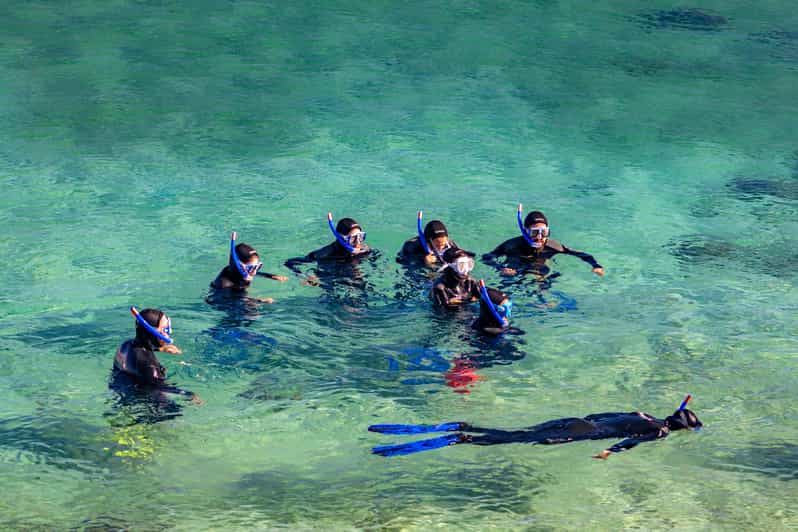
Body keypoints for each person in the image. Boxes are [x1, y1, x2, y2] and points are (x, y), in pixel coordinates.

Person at [369, 396, 701, 458]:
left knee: (519, 432)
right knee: (515, 440)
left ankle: (464, 427)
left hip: (578, 420)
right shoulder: (659, 431)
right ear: (681, 428)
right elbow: (632, 442)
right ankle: (462, 436)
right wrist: (609, 452)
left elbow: (603, 414)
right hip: (583, 432)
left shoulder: (643, 414)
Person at [482, 205, 604, 278]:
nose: (540, 237)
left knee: (549, 276)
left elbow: (581, 254)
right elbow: (487, 257)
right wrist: (499, 268)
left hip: (539, 270)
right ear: (525, 231)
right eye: (535, 232)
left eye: (543, 232)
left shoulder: (552, 246)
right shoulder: (512, 245)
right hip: (513, 270)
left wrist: (596, 266)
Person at [112, 307, 198, 402]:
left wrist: (160, 348)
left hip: (120, 392)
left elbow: (141, 350)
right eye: (164, 330)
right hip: (141, 402)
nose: (167, 334)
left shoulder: (126, 345)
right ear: (151, 332)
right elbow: (158, 388)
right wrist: (189, 395)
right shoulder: (150, 367)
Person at [284, 214, 373, 281]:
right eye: (353, 238)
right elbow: (289, 262)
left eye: (361, 236)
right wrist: (304, 276)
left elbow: (374, 256)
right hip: (331, 279)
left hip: (352, 276)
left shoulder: (364, 249)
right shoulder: (326, 253)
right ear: (341, 237)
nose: (358, 242)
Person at [210, 232, 287, 302]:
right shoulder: (225, 283)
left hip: (238, 292)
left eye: (257, 267)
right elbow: (233, 299)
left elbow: (253, 272)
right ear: (238, 266)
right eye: (250, 268)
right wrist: (259, 300)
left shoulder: (237, 272)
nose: (254, 272)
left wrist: (271, 276)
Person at [397, 212, 467, 268]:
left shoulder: (450, 244)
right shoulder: (411, 246)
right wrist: (423, 261)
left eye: (443, 244)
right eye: (437, 245)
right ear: (428, 241)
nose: (441, 248)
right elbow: (404, 263)